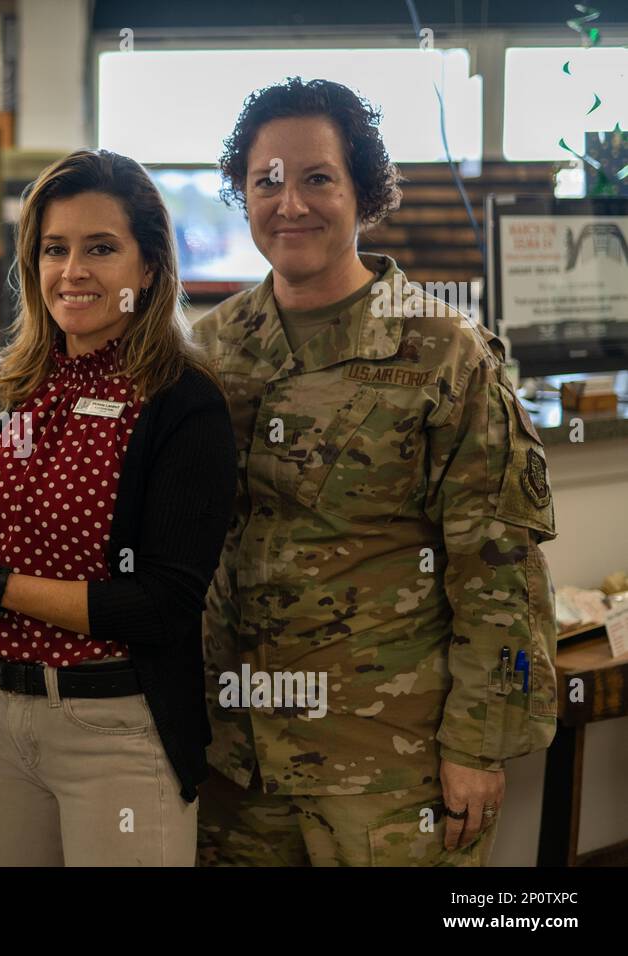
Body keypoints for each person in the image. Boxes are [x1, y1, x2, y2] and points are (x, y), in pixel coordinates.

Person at [193, 77, 558, 866]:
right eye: (267, 181)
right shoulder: (208, 351)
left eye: (318, 177)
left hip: (388, 769)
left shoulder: (443, 350)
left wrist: (479, 745)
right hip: (235, 763)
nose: (290, 202)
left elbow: (500, 569)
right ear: (243, 195)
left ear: (364, 189)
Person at [0, 149, 237, 866]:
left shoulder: (182, 401)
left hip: (114, 729)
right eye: (54, 249)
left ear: (148, 268)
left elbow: (162, 603)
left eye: (100, 248)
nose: (72, 271)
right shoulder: (23, 387)